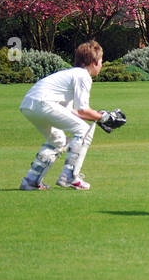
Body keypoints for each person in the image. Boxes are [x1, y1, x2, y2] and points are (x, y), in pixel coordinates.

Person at [18, 41, 113, 191]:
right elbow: (82, 110)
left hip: (29, 105)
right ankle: (69, 176)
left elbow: (72, 112)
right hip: (43, 103)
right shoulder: (83, 75)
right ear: (94, 62)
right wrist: (104, 117)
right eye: (101, 61)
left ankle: (31, 180)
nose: (102, 65)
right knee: (83, 129)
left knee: (58, 140)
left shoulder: (71, 74)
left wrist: (98, 116)